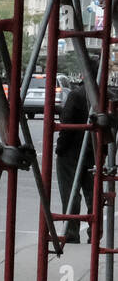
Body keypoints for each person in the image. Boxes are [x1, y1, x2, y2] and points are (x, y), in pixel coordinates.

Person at [54, 83, 93, 243]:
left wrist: (60, 148)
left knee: (70, 193)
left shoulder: (76, 95)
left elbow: (67, 124)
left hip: (71, 151)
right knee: (94, 195)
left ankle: (71, 233)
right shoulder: (106, 94)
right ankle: (95, 234)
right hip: (94, 152)